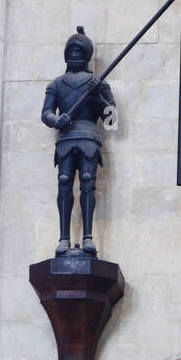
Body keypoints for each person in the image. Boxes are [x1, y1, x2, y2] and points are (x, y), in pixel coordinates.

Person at [42, 26, 115, 256]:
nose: (74, 54)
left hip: (88, 136)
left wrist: (98, 96)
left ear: (86, 55)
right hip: (65, 138)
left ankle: (88, 237)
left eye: (79, 51)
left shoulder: (98, 83)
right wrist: (56, 120)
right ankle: (64, 238)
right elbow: (46, 113)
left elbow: (112, 118)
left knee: (87, 181)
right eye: (71, 50)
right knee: (64, 181)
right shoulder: (57, 84)